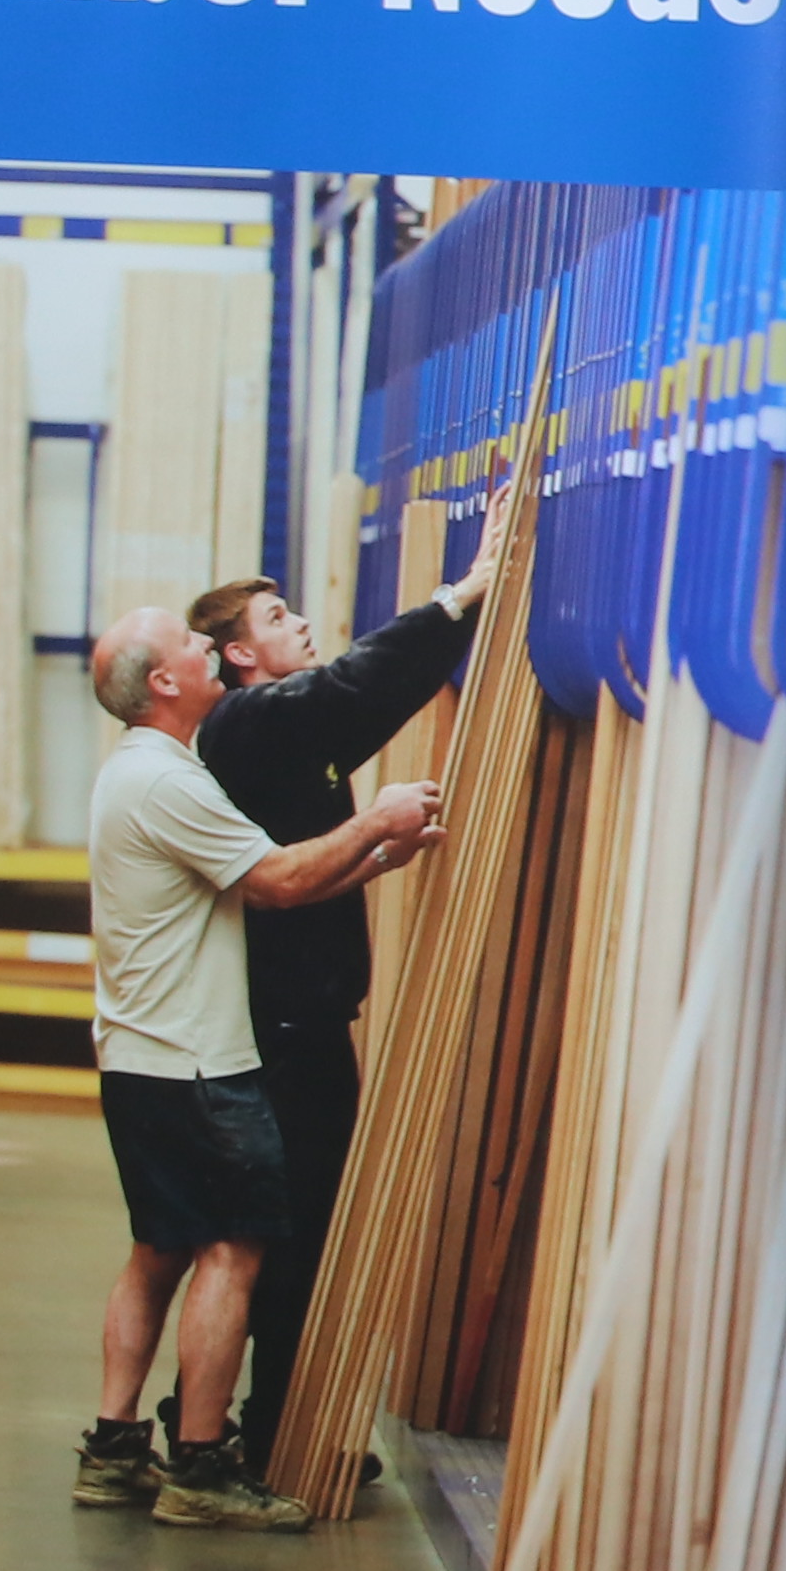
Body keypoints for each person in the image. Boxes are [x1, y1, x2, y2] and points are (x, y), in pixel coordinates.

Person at [73, 600, 441, 1537]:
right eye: (198, 647)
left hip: (138, 1054)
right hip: (198, 1060)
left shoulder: (136, 773)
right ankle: (201, 1466)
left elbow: (257, 890)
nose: (209, 653)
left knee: (157, 1250)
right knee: (233, 1253)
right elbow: (274, 881)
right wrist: (380, 819)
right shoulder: (170, 783)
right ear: (165, 682)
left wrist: (372, 858)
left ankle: (113, 1452)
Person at [185, 473, 522, 1483]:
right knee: (288, 1236)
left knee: (294, 1233)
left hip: (300, 1024)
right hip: (282, 1033)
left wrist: (373, 855)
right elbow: (349, 693)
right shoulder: (252, 723)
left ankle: (268, 1424)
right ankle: (273, 1435)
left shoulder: (281, 735)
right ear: (242, 653)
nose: (302, 626)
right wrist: (466, 592)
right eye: (279, 618)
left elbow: (349, 719)